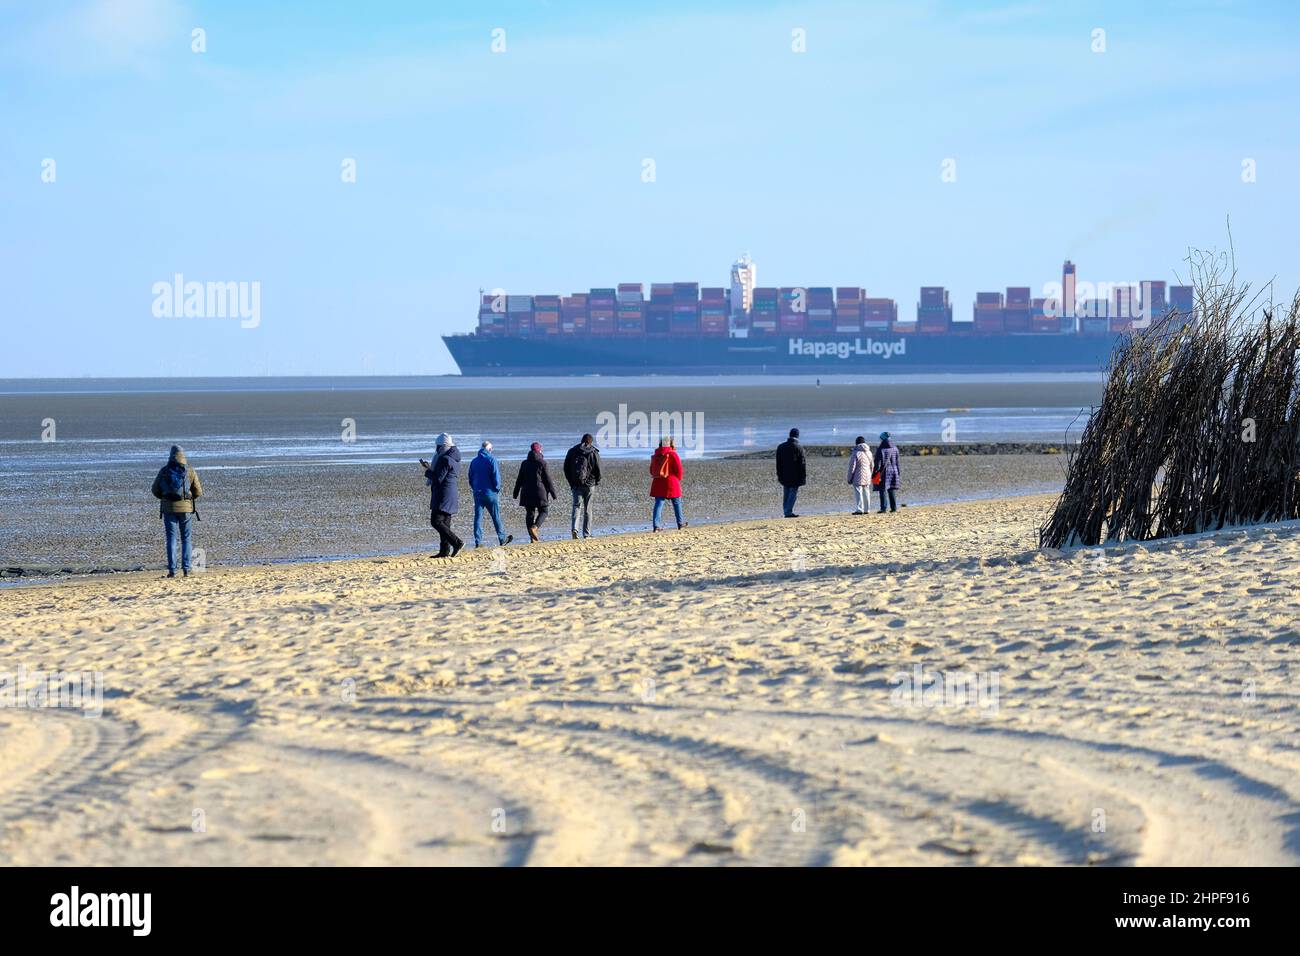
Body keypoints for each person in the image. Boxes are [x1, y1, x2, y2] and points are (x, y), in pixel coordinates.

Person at [150, 444, 203, 578]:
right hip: (186, 510)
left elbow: (155, 490)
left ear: (170, 455)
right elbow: (198, 491)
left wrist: (165, 497)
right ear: (183, 455)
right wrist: (188, 500)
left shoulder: (164, 471)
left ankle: (172, 571)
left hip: (169, 509)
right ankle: (186, 569)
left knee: (171, 539)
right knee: (186, 539)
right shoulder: (189, 471)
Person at [421, 433, 463, 557]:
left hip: (443, 494)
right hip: (449, 494)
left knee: (436, 521)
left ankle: (457, 543)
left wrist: (427, 471)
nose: (436, 449)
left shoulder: (445, 459)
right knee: (445, 523)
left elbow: (438, 478)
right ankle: (444, 551)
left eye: (438, 446)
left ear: (443, 446)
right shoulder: (453, 457)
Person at [467, 440, 513, 548]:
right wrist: (497, 489)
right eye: (491, 449)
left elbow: (470, 477)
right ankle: (502, 538)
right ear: (489, 449)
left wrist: (475, 488)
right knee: (496, 516)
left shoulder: (474, 461)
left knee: (478, 517)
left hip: (478, 492)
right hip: (490, 493)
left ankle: (478, 541)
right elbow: (496, 477)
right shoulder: (491, 459)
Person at [513, 442, 558, 543]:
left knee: (530, 513)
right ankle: (535, 528)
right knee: (544, 511)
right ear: (539, 450)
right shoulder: (542, 462)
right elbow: (548, 480)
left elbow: (519, 479)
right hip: (540, 493)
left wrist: (515, 493)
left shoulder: (524, 463)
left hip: (526, 492)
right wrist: (553, 493)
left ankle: (532, 538)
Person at [563, 433, 602, 539]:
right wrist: (597, 481)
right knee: (588, 509)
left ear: (581, 440)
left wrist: (571, 482)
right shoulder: (594, 452)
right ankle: (586, 534)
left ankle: (574, 529)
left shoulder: (572, 451)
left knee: (576, 506)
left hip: (576, 483)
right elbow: (598, 468)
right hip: (590, 485)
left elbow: (566, 468)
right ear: (591, 442)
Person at [649, 437, 687, 531]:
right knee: (677, 503)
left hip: (658, 481)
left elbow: (651, 470)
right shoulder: (673, 454)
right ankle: (680, 523)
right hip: (671, 481)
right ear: (671, 444)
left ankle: (656, 526)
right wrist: (678, 479)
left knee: (658, 504)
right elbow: (679, 469)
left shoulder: (656, 454)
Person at [775, 427, 807, 518]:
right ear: (797, 436)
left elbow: (778, 462)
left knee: (786, 492)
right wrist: (803, 477)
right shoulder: (799, 448)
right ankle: (788, 511)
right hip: (795, 475)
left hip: (784, 474)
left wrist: (778, 473)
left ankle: (786, 510)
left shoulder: (781, 447)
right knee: (793, 492)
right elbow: (802, 464)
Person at [873, 431, 901, 513]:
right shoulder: (895, 448)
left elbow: (877, 463)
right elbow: (897, 461)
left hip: (883, 471)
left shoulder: (881, 449)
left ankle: (883, 508)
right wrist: (898, 472)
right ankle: (894, 507)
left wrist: (875, 472)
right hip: (894, 470)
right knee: (891, 489)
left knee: (882, 489)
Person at [847, 436, 873, 515]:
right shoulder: (869, 452)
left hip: (858, 475)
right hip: (868, 474)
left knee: (858, 492)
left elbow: (852, 467)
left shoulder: (856, 452)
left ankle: (859, 509)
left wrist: (849, 478)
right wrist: (871, 474)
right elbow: (872, 465)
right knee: (867, 492)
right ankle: (867, 509)